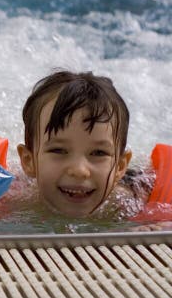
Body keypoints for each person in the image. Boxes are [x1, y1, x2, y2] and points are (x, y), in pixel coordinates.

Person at [16, 70, 135, 218]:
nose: (79, 170)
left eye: (99, 153)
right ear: (29, 161)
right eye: (58, 150)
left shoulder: (127, 206)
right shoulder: (13, 203)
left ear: (120, 166)